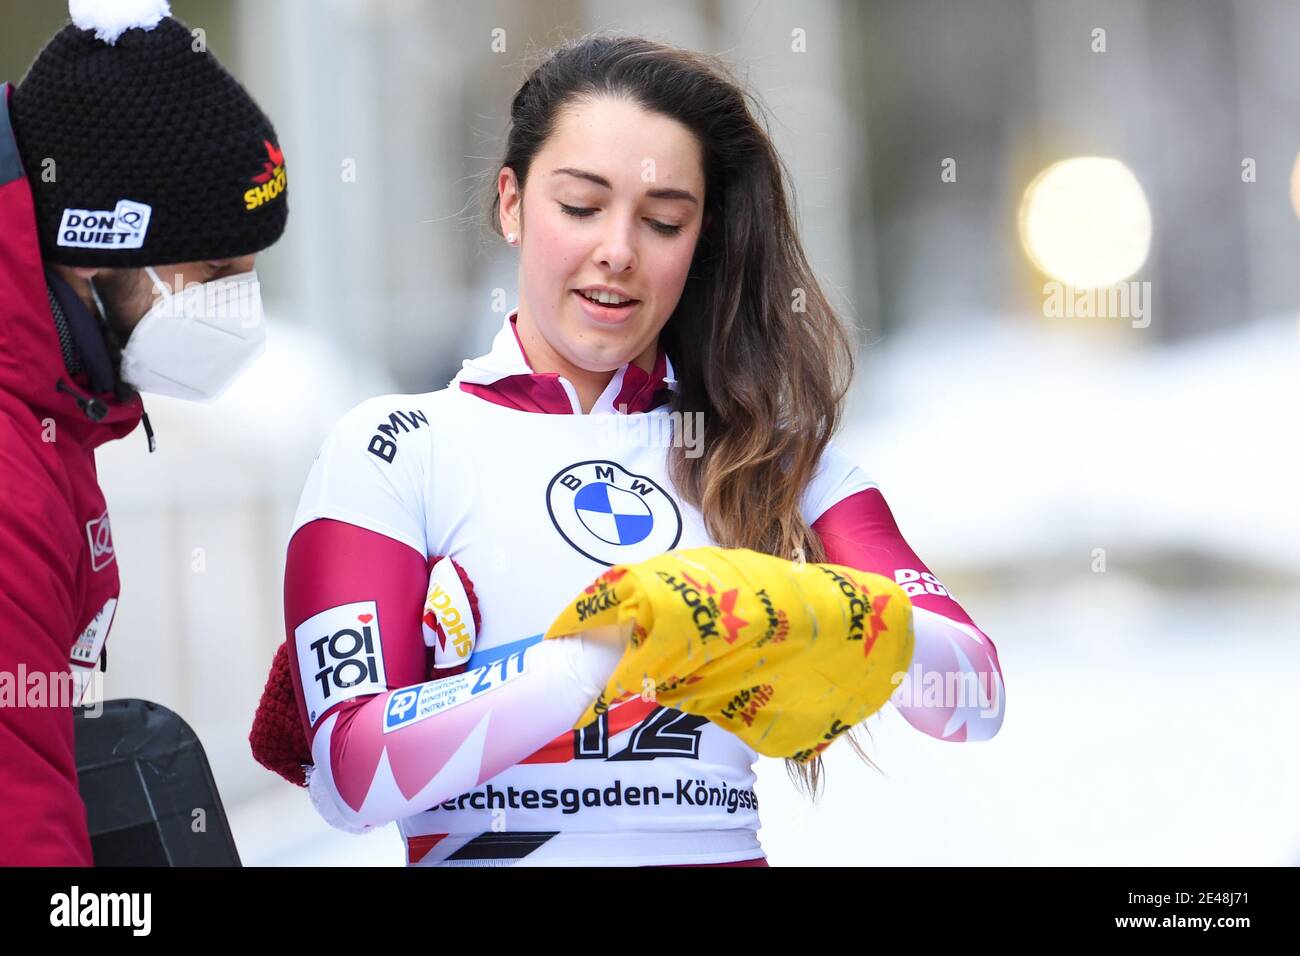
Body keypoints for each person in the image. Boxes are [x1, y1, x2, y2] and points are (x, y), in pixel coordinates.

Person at [271, 33, 1003, 867]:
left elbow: (973, 698)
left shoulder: (770, 451)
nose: (618, 250)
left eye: (662, 222)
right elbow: (348, 778)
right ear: (510, 203)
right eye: (581, 207)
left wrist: (807, 611)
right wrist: (597, 656)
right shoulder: (397, 448)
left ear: (701, 238)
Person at [0, 0, 288, 866]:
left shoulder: (55, 406)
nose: (237, 303)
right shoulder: (13, 467)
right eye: (213, 270)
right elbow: (17, 801)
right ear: (100, 245)